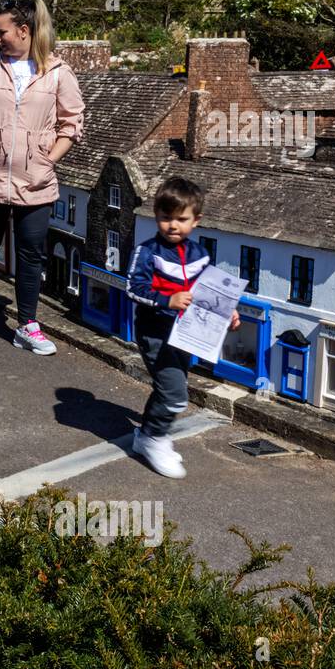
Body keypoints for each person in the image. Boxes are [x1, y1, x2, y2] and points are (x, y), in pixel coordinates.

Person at [0, 0, 84, 355]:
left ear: (24, 31)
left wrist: (49, 161)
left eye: (2, 32)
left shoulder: (58, 73)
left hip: (37, 183)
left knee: (31, 254)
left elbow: (72, 124)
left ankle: (27, 324)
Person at [125, 176, 240, 478]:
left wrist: (228, 312)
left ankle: (144, 436)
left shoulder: (201, 254)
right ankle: (155, 439)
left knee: (166, 388)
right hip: (155, 333)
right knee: (175, 395)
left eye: (181, 219)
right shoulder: (147, 251)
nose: (172, 225)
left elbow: (209, 293)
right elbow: (133, 289)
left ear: (196, 221)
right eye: (165, 218)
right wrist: (167, 300)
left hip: (187, 334)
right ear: (156, 216)